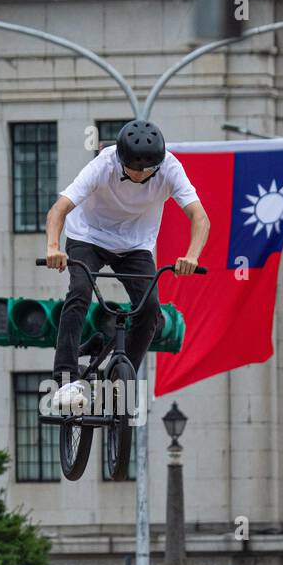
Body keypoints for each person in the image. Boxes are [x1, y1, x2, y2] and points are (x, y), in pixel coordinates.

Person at [43, 119, 210, 413]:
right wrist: (53, 248)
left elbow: (200, 217)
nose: (139, 175)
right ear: (120, 159)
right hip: (88, 237)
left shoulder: (170, 168)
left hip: (135, 245)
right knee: (80, 292)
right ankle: (64, 380)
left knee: (150, 311)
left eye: (147, 171)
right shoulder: (103, 165)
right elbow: (59, 209)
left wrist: (192, 256)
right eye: (133, 169)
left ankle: (118, 381)